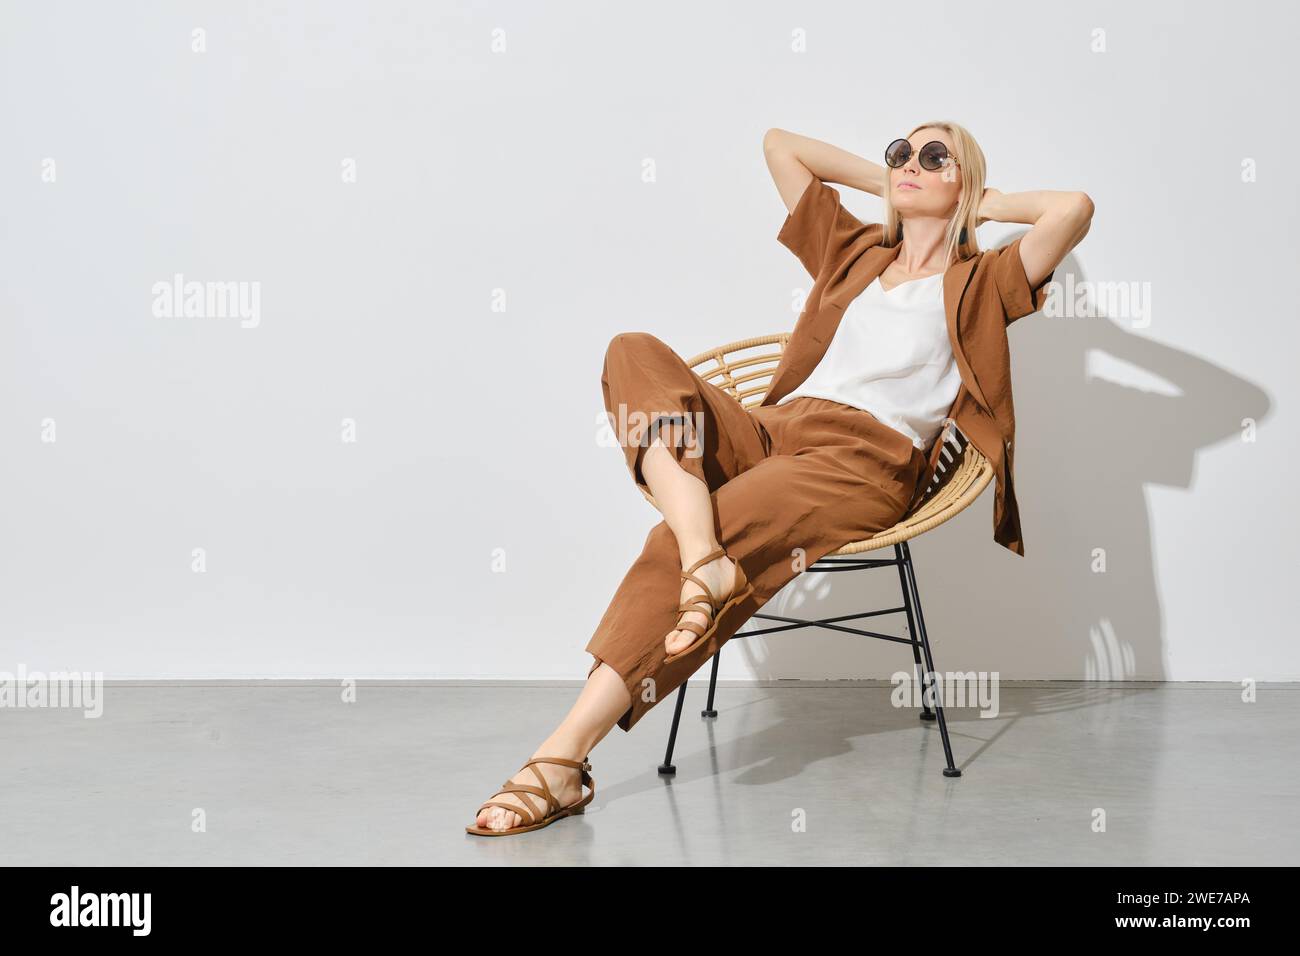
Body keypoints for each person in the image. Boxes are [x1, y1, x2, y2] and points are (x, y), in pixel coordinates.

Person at [467, 122, 1094, 836]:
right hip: (775, 428)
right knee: (632, 351)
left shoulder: (985, 280)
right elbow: (780, 145)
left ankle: (562, 757)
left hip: (863, 460)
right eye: (900, 153)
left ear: (966, 180)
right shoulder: (855, 252)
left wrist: (979, 205)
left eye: (932, 157)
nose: (908, 165)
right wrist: (892, 188)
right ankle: (708, 559)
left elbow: (1071, 208)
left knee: (665, 546)